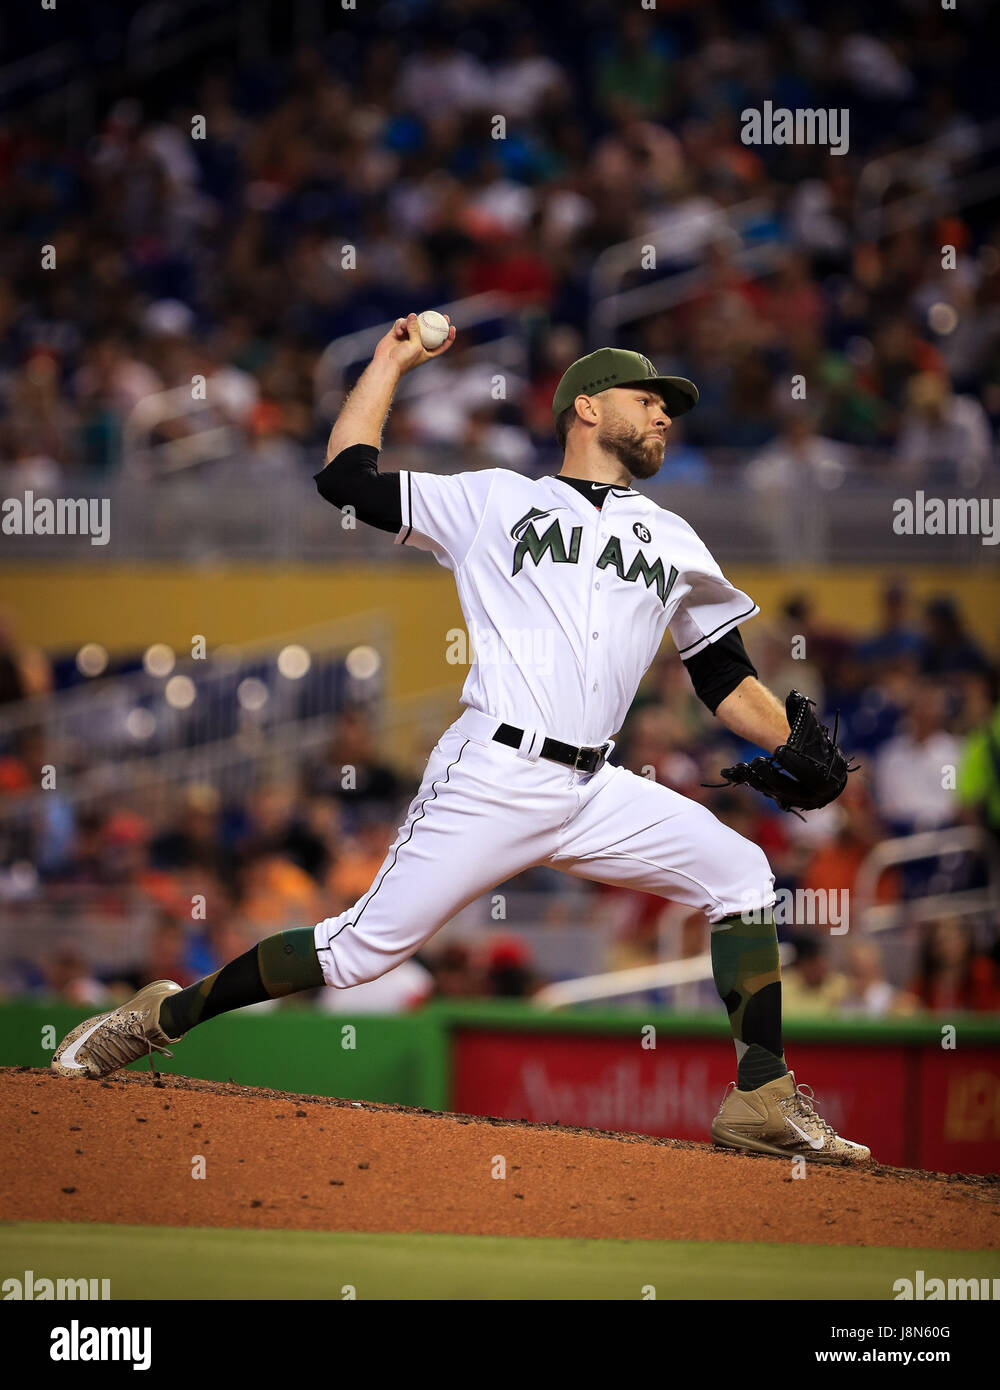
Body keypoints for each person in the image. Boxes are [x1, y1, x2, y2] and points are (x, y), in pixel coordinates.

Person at [52, 319, 869, 1164]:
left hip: (595, 788)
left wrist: (800, 745)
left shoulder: (673, 537)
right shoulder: (494, 500)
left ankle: (761, 1100)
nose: (666, 416)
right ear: (586, 407)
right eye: (648, 399)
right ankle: (158, 1015)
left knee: (739, 871)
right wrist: (389, 360)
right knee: (356, 951)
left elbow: (722, 677)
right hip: (493, 770)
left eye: (671, 407)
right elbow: (346, 479)